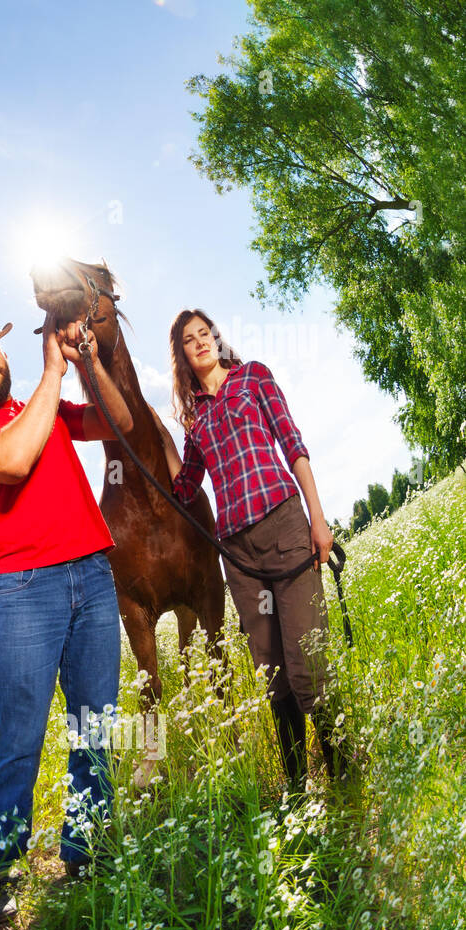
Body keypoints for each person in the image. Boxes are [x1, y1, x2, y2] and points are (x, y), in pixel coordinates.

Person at [0, 308, 134, 925]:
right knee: (18, 736)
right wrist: (55, 369)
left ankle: (87, 849)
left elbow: (120, 424)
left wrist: (90, 363)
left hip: (94, 575)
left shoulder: (43, 405)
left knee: (95, 725)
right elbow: (13, 462)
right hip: (25, 589)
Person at [159, 308, 342, 792]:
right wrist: (153, 450)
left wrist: (317, 520)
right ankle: (299, 789)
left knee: (308, 666)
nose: (200, 342)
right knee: (273, 674)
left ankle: (346, 780)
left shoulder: (253, 377)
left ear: (217, 340)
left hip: (285, 526)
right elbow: (186, 486)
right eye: (189, 339)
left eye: (205, 333)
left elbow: (293, 444)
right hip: (238, 554)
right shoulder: (195, 417)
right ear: (181, 354)